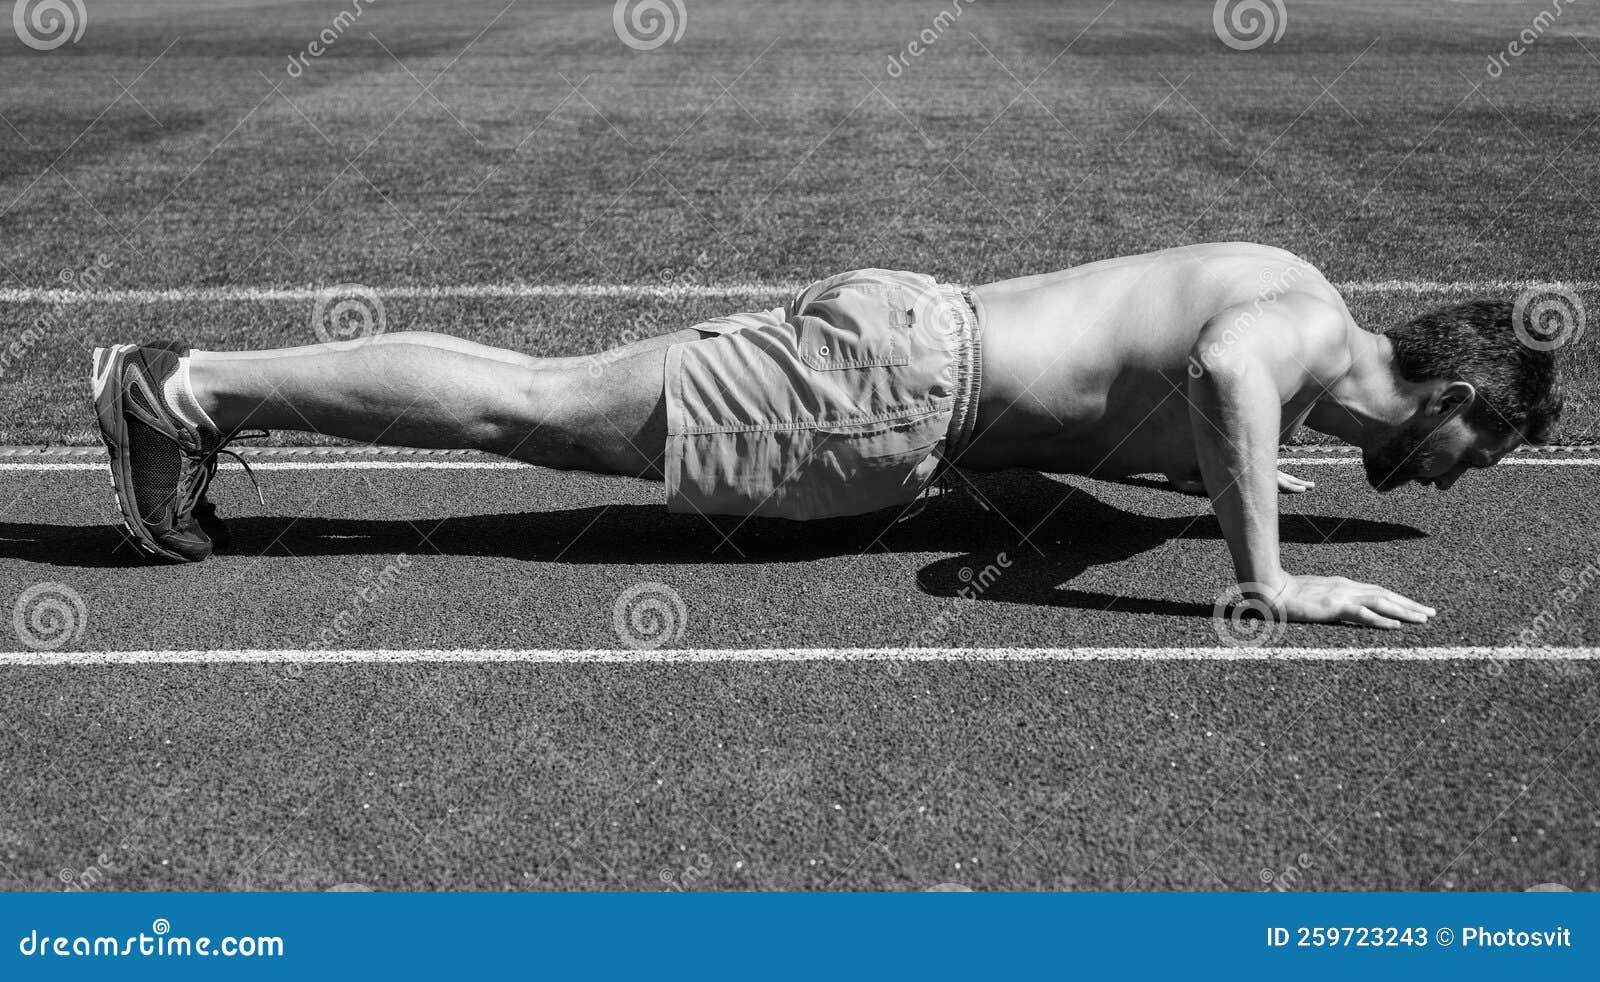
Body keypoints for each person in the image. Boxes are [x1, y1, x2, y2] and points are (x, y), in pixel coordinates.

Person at [91, 242, 1562, 627]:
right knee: (533, 404)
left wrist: (1218, 474)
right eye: (1476, 452)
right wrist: (1268, 571)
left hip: (907, 349)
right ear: (1451, 400)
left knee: (542, 399)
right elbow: (1233, 370)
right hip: (893, 394)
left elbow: (1179, 391)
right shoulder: (1301, 333)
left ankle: (195, 386)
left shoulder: (1302, 319)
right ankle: (186, 388)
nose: (1457, 478)